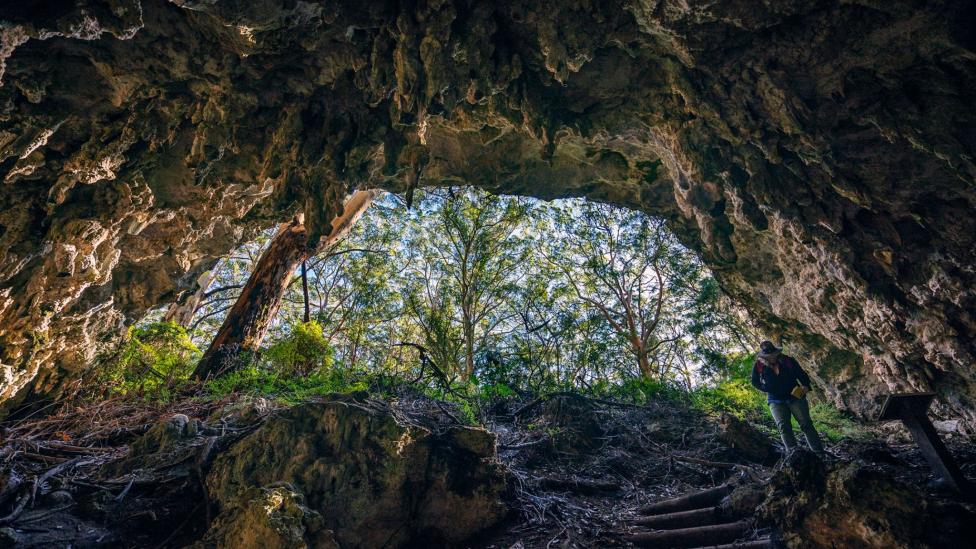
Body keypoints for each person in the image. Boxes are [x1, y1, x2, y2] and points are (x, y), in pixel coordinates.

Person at [750, 340, 825, 457]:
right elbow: (754, 382)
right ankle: (794, 456)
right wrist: (766, 388)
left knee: (806, 425)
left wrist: (805, 386)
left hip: (795, 397)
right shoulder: (759, 366)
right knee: (784, 428)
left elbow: (802, 374)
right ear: (764, 357)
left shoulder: (788, 361)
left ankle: (819, 455)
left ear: (777, 353)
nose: (772, 357)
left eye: (773, 355)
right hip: (775, 400)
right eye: (769, 356)